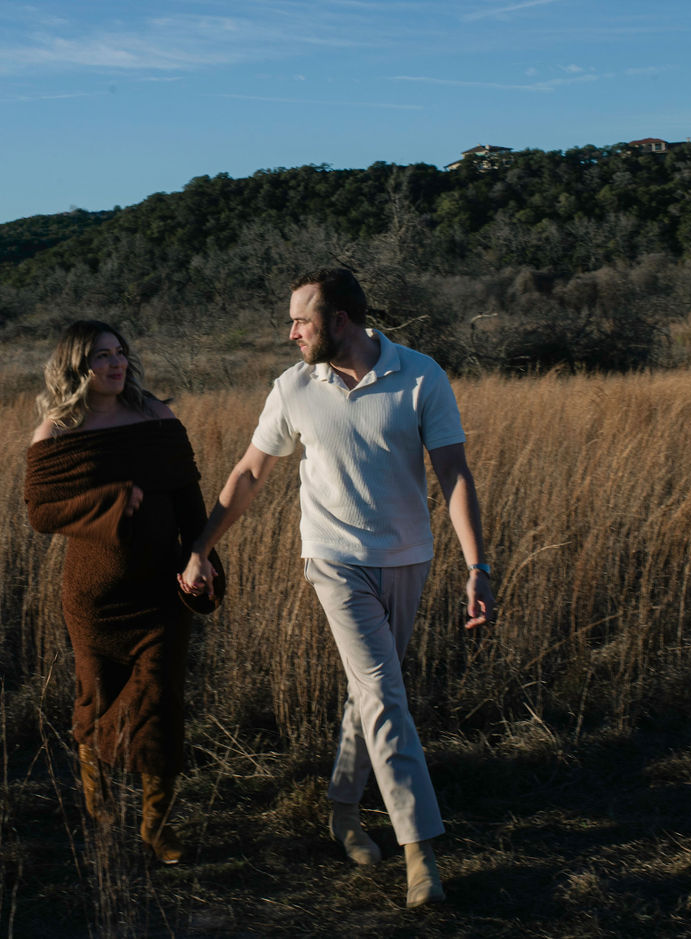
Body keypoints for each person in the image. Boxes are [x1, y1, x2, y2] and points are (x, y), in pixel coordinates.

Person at [179, 268, 492, 908]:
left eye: (302, 320)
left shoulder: (420, 375)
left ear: (340, 320)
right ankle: (420, 851)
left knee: (371, 692)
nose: (291, 332)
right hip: (333, 560)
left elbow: (454, 473)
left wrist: (477, 566)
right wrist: (201, 546)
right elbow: (249, 472)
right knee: (382, 690)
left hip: (407, 558)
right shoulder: (294, 388)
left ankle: (343, 810)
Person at [24, 319, 222, 865]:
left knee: (160, 699)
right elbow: (41, 514)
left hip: (161, 590)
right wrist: (110, 502)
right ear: (75, 368)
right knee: (99, 696)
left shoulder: (157, 417)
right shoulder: (56, 433)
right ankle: (97, 785)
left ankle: (156, 827)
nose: (115, 364)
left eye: (119, 353)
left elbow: (189, 499)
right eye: (100, 357)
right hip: (94, 599)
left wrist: (201, 554)